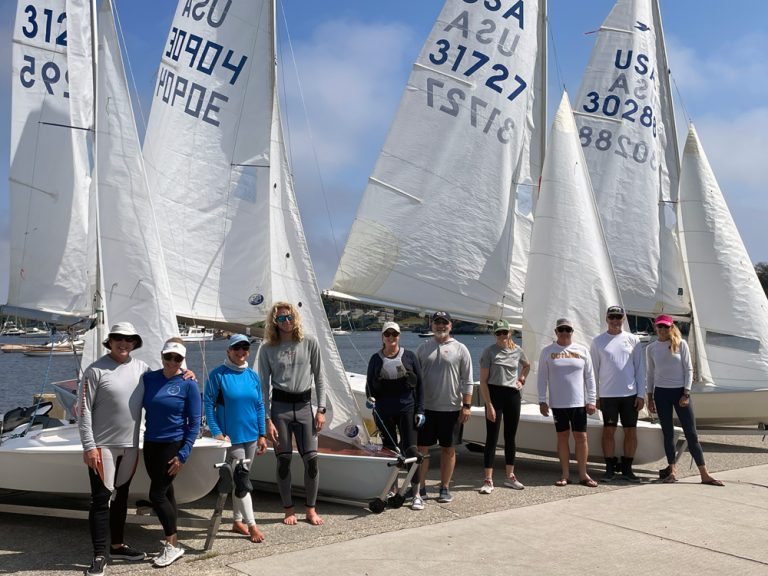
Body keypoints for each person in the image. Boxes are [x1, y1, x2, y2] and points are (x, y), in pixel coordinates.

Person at [77, 322, 150, 576]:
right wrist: (89, 446)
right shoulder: (95, 370)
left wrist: (187, 375)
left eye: (129, 339)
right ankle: (99, 555)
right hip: (102, 446)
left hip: (130, 446)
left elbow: (163, 385)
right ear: (110, 341)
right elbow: (84, 411)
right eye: (118, 338)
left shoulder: (143, 369)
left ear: (134, 343)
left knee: (121, 497)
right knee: (100, 500)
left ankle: (117, 546)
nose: (124, 343)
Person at [258, 302, 326, 525]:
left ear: (295, 318)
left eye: (289, 318)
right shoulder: (267, 348)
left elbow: (320, 377)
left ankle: (311, 509)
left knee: (312, 462)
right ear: (274, 322)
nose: (286, 322)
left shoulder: (309, 342)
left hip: (306, 407)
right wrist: (267, 419)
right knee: (284, 461)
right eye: (280, 319)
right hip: (280, 408)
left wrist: (321, 409)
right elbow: (262, 387)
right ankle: (288, 509)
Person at [142, 338, 201, 567]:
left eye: (177, 358)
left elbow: (194, 422)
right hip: (150, 443)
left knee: (156, 495)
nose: (172, 361)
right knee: (167, 493)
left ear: (182, 360)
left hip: (172, 445)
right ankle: (174, 541)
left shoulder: (188, 383)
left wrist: (184, 453)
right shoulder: (149, 378)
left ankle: (172, 545)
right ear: (162, 355)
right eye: (169, 357)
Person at [204, 334, 269, 542]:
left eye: (245, 349)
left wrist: (262, 434)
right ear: (228, 351)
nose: (241, 352)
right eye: (236, 348)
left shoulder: (252, 375)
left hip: (251, 435)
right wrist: (216, 432)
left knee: (242, 480)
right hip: (231, 438)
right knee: (241, 478)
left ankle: (236, 521)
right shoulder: (218, 375)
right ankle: (252, 526)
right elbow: (209, 405)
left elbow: (259, 405)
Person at [646, 315, 723, 486]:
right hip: (661, 394)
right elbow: (650, 374)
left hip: (680, 393)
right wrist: (649, 397)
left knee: (691, 433)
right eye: (659, 327)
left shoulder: (681, 344)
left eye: (666, 327)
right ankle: (672, 470)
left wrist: (686, 393)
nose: (662, 330)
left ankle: (704, 473)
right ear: (655, 327)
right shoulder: (651, 348)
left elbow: (689, 369)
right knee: (668, 433)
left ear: (671, 327)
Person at [414, 311, 473, 508]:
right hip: (427, 408)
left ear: (450, 325)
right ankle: (419, 488)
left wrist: (466, 406)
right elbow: (413, 379)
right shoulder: (423, 349)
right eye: (437, 323)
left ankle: (444, 487)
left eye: (444, 323)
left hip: (451, 408)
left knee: (448, 449)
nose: (440, 326)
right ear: (432, 325)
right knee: (422, 449)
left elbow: (468, 380)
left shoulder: (460, 348)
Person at [365, 321, 425, 499]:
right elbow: (369, 386)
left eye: (395, 334)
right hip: (384, 410)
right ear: (382, 337)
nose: (391, 337)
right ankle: (393, 489)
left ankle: (416, 494)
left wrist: (420, 410)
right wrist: (370, 400)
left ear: (399, 336)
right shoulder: (376, 359)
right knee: (389, 450)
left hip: (407, 408)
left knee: (411, 450)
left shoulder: (410, 357)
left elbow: (420, 385)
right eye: (387, 334)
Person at [538, 318, 598, 487]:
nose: (564, 332)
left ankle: (583, 474)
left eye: (568, 330)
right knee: (562, 437)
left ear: (572, 332)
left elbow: (590, 377)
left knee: (581, 437)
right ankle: (565, 474)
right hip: (558, 404)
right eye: (561, 329)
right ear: (556, 332)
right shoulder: (547, 352)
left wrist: (591, 400)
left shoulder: (582, 350)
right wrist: (542, 400)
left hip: (579, 403)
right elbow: (542, 378)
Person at [590, 306, 645, 482]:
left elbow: (639, 369)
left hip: (630, 394)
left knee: (631, 432)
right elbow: (593, 371)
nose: (615, 320)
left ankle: (627, 469)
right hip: (608, 395)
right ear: (606, 319)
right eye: (612, 317)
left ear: (623, 319)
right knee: (608, 431)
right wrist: (595, 397)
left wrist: (641, 394)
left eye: (618, 317)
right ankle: (609, 468)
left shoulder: (633, 339)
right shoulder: (598, 341)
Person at [478, 319, 530, 494]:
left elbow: (527, 365)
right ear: (494, 335)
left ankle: (510, 476)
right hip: (494, 395)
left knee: (510, 436)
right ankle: (488, 479)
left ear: (510, 333)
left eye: (504, 332)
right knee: (492, 437)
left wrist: (522, 379)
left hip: (512, 395)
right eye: (498, 333)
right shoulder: (489, 352)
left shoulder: (517, 351)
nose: (502, 336)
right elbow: (483, 382)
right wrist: (489, 405)